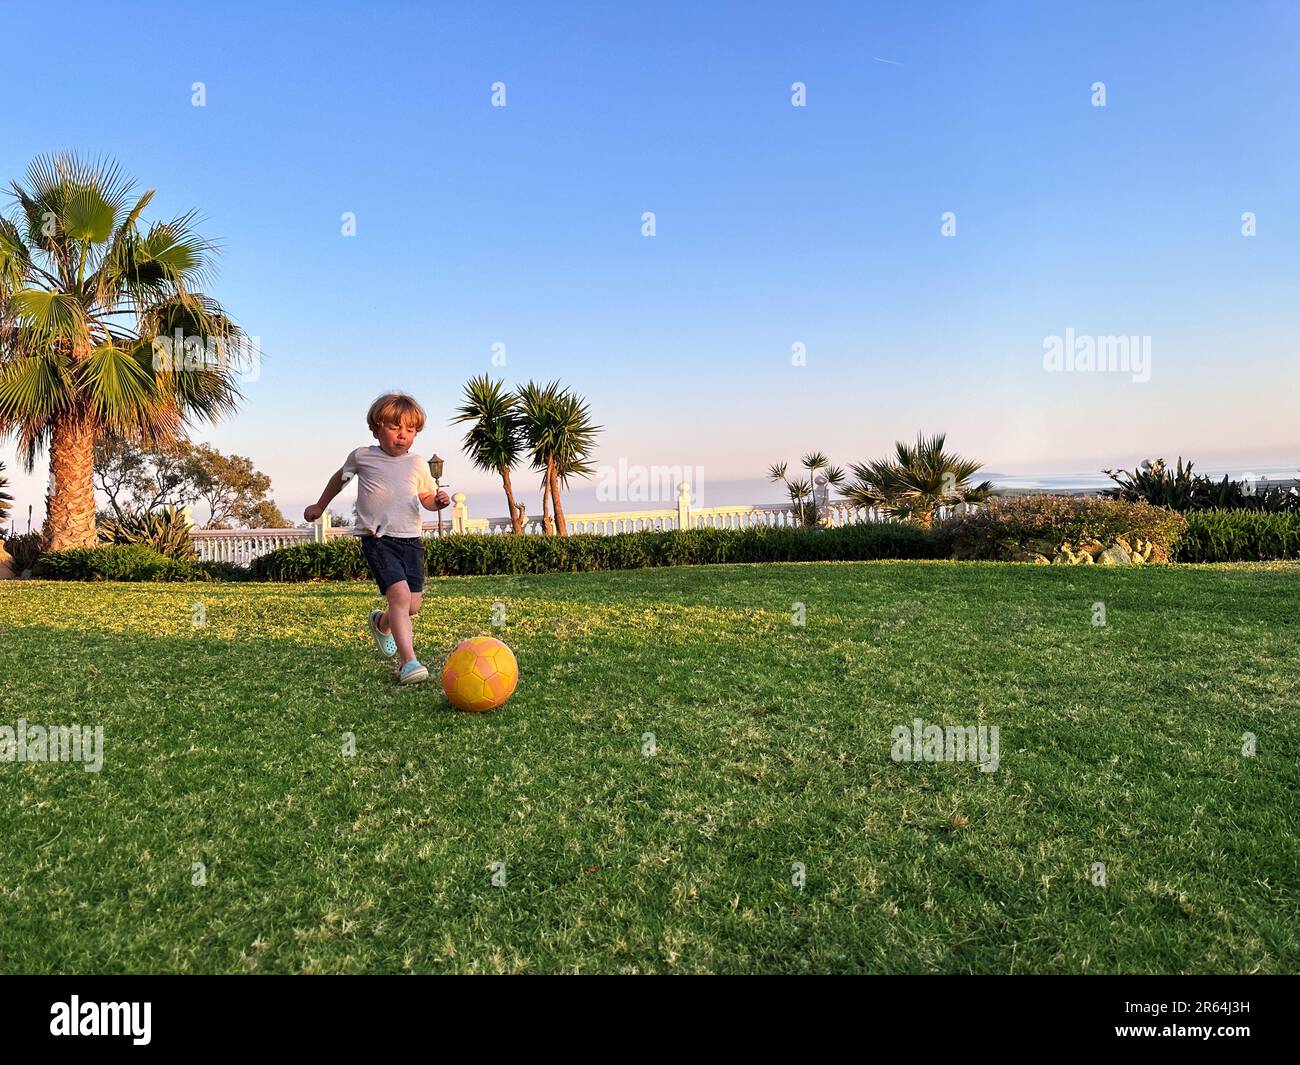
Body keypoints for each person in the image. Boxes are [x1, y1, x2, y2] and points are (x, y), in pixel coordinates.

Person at [305, 392, 449, 683]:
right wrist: (320, 506)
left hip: (412, 540)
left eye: (410, 430)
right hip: (378, 538)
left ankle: (381, 623)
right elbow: (339, 479)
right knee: (399, 596)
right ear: (376, 428)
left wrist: (438, 502)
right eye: (395, 428)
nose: (403, 436)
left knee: (412, 606)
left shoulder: (418, 463)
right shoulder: (363, 456)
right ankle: (409, 662)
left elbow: (425, 499)